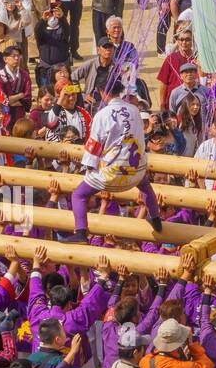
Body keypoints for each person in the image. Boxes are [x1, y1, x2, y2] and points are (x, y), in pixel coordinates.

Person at [68, 70, 162, 243]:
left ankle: (81, 232)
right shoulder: (134, 110)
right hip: (136, 171)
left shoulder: (102, 115)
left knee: (78, 195)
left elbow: (94, 146)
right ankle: (156, 219)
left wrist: (89, 168)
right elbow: (141, 140)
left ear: (103, 92)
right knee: (146, 187)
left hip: (111, 175)